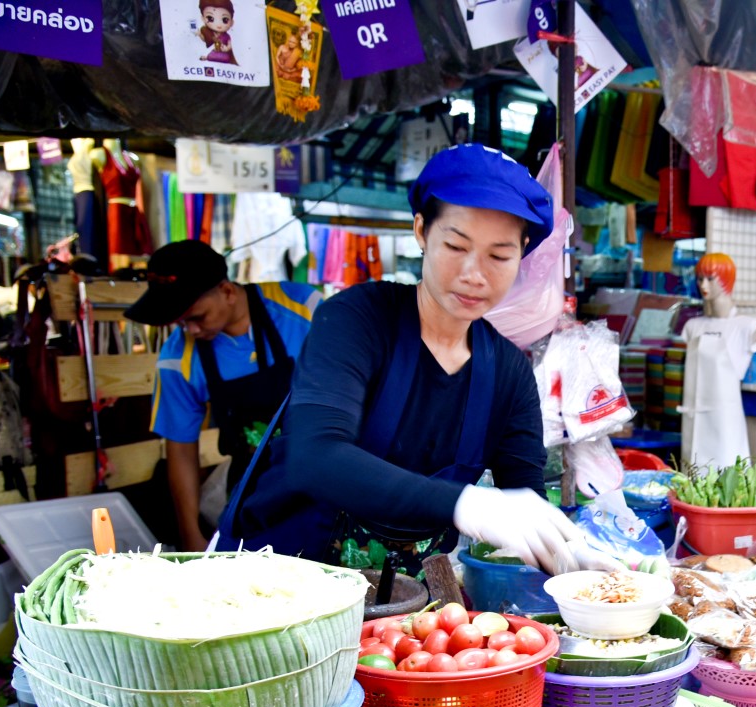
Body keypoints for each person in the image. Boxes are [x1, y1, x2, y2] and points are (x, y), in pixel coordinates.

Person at [220, 143, 600, 577]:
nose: (475, 274)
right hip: (279, 585)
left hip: (403, 619)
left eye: (499, 256)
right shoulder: (357, 319)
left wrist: (576, 557)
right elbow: (315, 455)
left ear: (522, 253)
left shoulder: (507, 374)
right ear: (421, 231)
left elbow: (526, 505)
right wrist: (466, 502)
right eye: (456, 246)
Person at [126, 240, 319, 552]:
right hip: (252, 490)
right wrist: (190, 533)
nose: (190, 330)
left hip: (323, 475)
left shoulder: (303, 308)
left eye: (197, 317)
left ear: (228, 292)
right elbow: (181, 451)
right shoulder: (177, 360)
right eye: (181, 321)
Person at [681, 253, 756, 467]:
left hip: (725, 420)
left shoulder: (747, 327)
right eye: (700, 279)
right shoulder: (693, 326)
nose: (703, 284)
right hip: (693, 417)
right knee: (692, 476)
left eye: (710, 278)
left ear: (727, 280)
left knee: (728, 474)